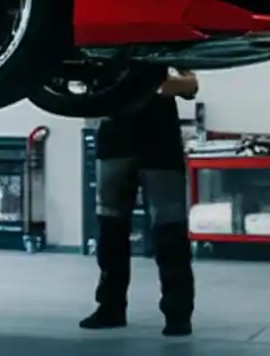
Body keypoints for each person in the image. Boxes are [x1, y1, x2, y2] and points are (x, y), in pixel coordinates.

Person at [80, 68, 198, 337]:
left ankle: (178, 314)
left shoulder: (164, 48)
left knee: (169, 231)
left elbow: (190, 82)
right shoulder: (103, 53)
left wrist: (148, 83)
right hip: (114, 142)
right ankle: (110, 308)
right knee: (110, 230)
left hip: (159, 143)